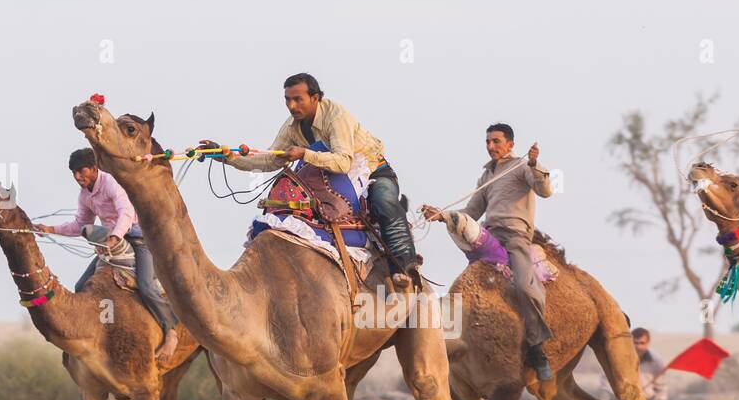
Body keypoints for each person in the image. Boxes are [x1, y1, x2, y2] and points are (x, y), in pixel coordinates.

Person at [203, 73, 420, 285]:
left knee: (384, 202)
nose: (292, 105)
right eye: (288, 99)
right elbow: (270, 159)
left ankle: (403, 266)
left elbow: (343, 161)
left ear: (315, 98)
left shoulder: (336, 116)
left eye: (298, 99)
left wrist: (304, 154)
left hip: (371, 172)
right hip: (332, 181)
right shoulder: (292, 126)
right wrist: (225, 156)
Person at [34, 148, 180, 362]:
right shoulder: (85, 195)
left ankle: (171, 333)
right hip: (111, 244)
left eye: (81, 171)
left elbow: (126, 213)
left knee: (147, 286)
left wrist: (113, 238)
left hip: (139, 239)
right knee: (81, 285)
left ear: (94, 168)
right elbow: (81, 225)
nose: (77, 177)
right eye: (74, 173)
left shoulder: (112, 183)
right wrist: (51, 229)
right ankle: (92, 335)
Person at [460, 123, 557, 380]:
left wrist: (536, 164)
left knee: (526, 288)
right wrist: (443, 217)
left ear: (510, 145)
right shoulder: (487, 175)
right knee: (466, 287)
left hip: (515, 237)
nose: (491, 146)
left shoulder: (522, 167)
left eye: (496, 141)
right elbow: (471, 212)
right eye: (488, 141)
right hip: (489, 237)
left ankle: (537, 348)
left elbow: (545, 190)